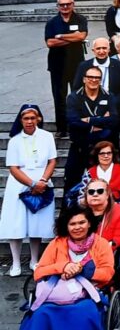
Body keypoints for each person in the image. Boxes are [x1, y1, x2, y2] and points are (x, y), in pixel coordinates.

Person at [10, 205, 115, 330]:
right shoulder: (57, 243)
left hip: (87, 295)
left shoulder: (100, 244)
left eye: (82, 222)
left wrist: (81, 270)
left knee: (82, 315)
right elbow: (39, 272)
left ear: (89, 223)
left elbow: (107, 273)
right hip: (57, 294)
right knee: (40, 315)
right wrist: (63, 266)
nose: (77, 227)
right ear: (66, 226)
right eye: (72, 224)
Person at [1, 105, 57, 277]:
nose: (30, 121)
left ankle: (34, 260)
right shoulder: (15, 140)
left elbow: (52, 161)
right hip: (19, 183)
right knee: (16, 223)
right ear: (21, 120)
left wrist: (43, 181)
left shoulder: (47, 137)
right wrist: (32, 184)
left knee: (36, 223)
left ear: (38, 119)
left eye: (33, 118)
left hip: (42, 182)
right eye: (26, 118)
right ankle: (16, 263)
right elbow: (13, 167)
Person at [65, 63, 120, 187]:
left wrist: (89, 120)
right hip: (79, 146)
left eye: (97, 77)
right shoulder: (74, 97)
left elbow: (114, 120)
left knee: (102, 184)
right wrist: (101, 121)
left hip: (101, 148)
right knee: (71, 182)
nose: (93, 80)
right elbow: (73, 121)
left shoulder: (109, 96)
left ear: (100, 80)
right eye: (90, 77)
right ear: (84, 79)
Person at [45, 0, 89, 136]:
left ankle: (77, 125)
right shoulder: (52, 22)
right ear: (57, 6)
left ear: (73, 4)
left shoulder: (81, 19)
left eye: (68, 4)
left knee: (78, 96)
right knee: (59, 97)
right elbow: (50, 43)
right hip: (57, 65)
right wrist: (73, 37)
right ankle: (62, 128)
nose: (65, 7)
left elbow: (82, 36)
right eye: (62, 5)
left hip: (76, 64)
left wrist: (61, 36)